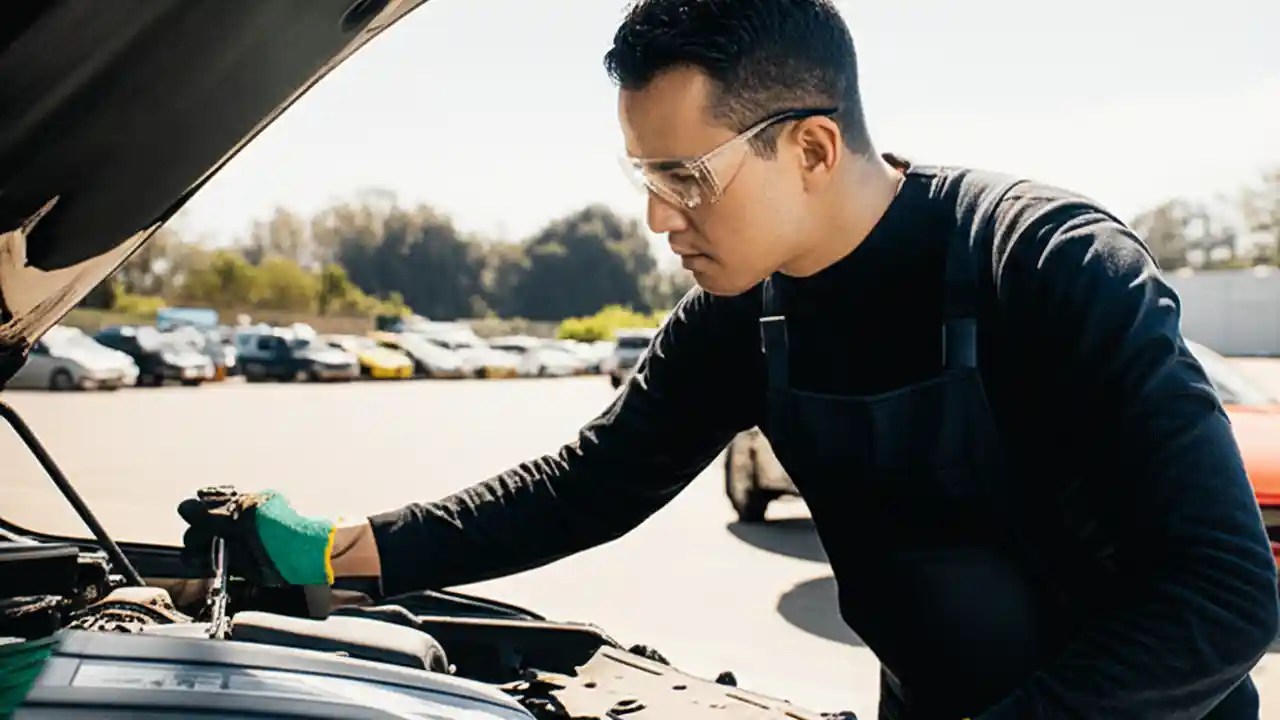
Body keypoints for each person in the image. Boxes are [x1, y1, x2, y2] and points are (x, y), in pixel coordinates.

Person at [178, 1, 1280, 717]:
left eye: (685, 177)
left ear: (807, 146)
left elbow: (1224, 597)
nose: (659, 220)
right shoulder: (737, 312)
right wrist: (327, 549)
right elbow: (585, 487)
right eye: (642, 179)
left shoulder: (1045, 266)